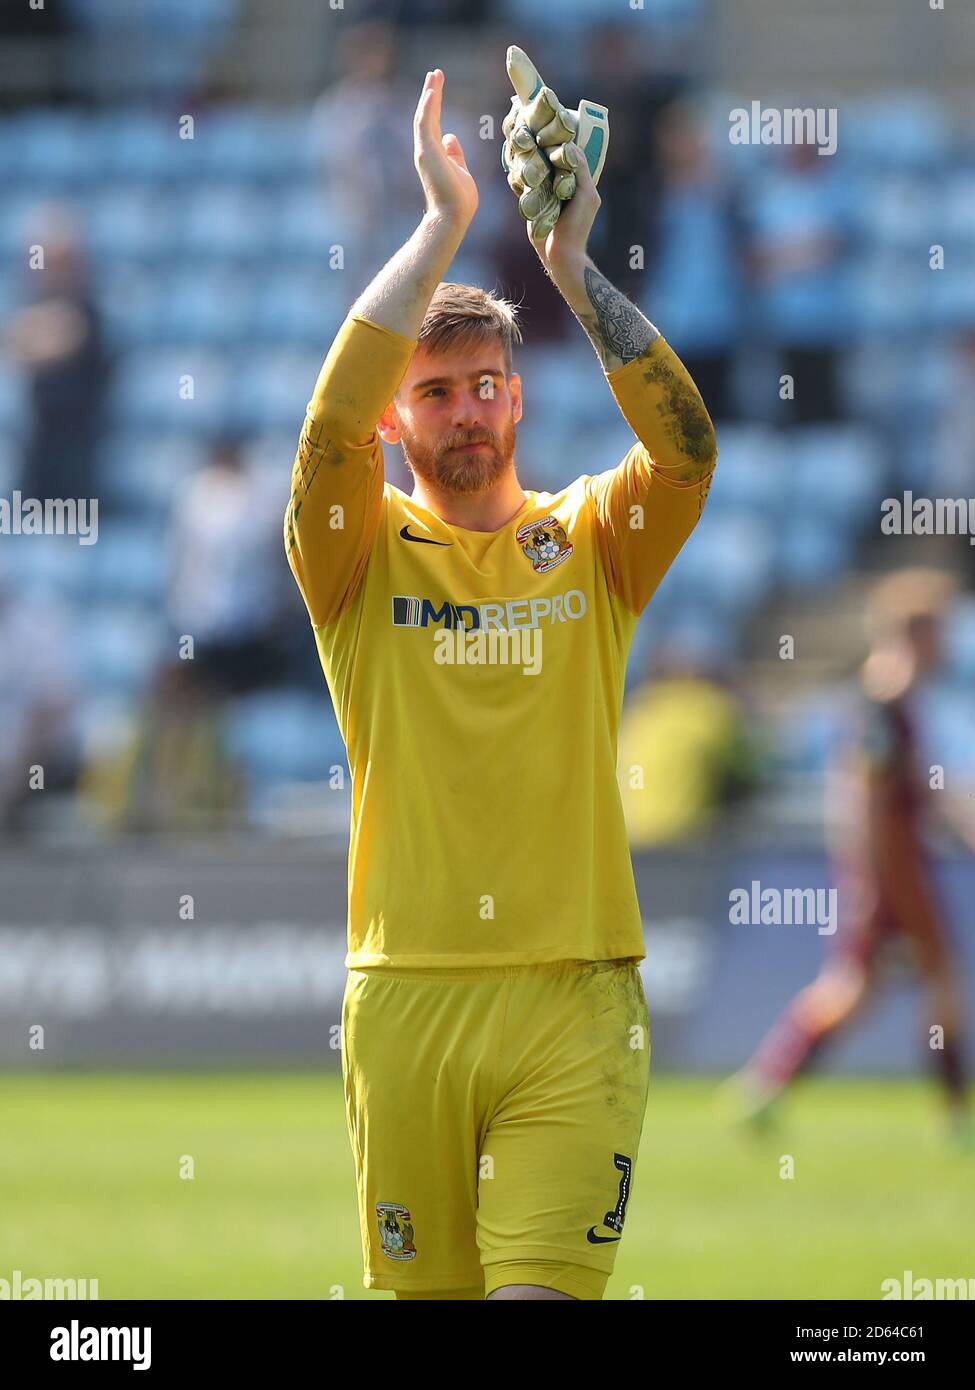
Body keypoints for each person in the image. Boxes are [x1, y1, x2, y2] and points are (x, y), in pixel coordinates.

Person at [284, 69, 717, 1300]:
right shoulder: (351, 553)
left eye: (485, 385)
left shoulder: (591, 538)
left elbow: (688, 456)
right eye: (434, 391)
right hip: (405, 998)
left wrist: (571, 266)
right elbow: (321, 434)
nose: (467, 410)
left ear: (519, 398)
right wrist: (437, 228)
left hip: (574, 995)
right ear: (395, 424)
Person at [727, 569, 973, 1145]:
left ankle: (765, 1087)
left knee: (855, 990)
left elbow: (906, 786)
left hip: (894, 866)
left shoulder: (893, 701)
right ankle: (957, 1114)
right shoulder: (882, 702)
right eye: (940, 633)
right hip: (895, 870)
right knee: (933, 984)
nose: (948, 647)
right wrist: (881, 877)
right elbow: (870, 795)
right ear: (917, 634)